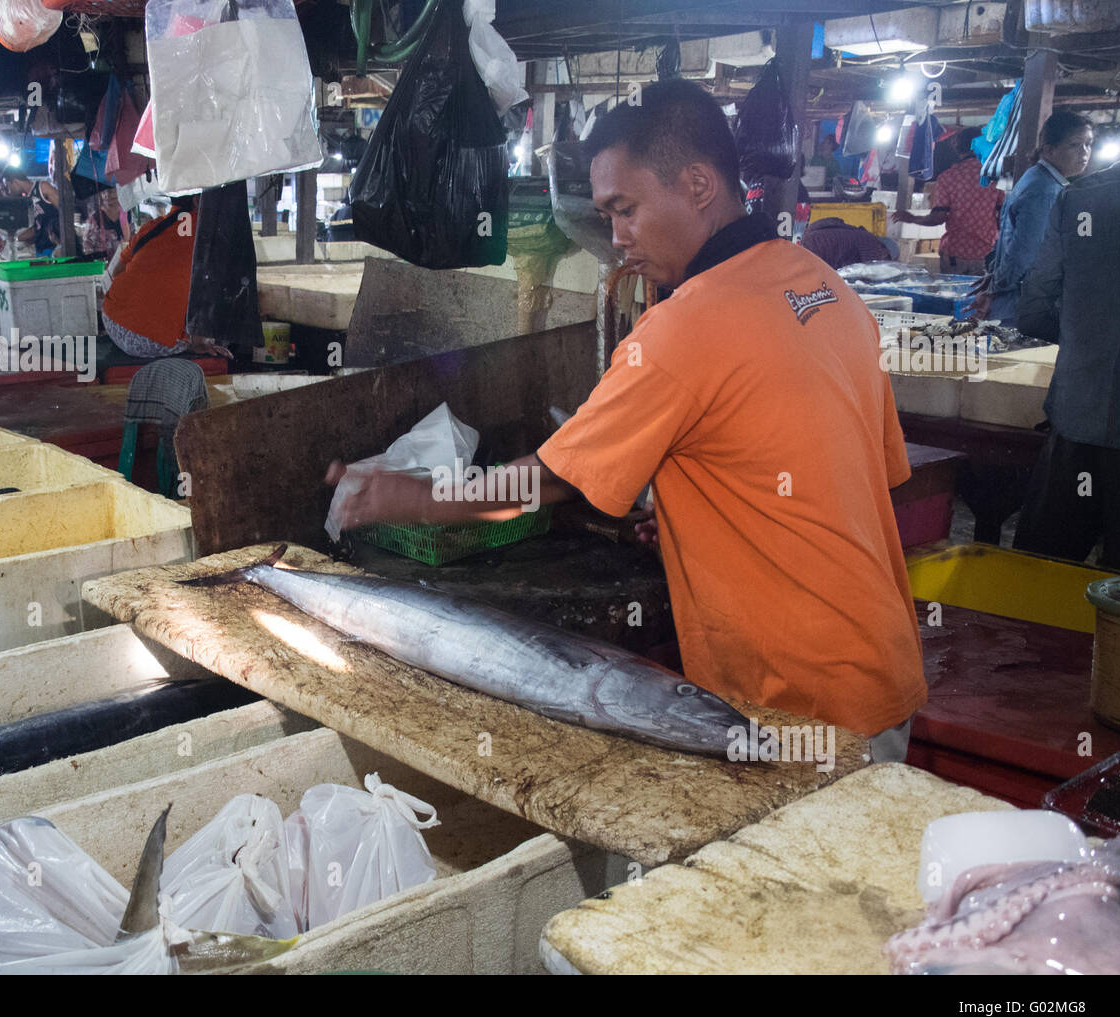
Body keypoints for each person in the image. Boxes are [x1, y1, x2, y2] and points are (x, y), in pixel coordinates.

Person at [325, 81, 927, 762]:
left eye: (625, 210)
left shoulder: (687, 325)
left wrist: (410, 496)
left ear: (698, 185)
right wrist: (694, 513)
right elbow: (857, 471)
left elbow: (555, 481)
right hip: (882, 673)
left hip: (793, 701)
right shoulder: (822, 284)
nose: (615, 240)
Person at [1011, 151, 1120, 569]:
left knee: (1039, 579)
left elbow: (1033, 307)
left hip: (1076, 422)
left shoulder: (1080, 196)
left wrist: (1085, 342)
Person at [978, 111, 1093, 325]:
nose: (1084, 153)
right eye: (1075, 145)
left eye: (1088, 144)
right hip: (1024, 304)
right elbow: (1025, 253)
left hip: (1015, 300)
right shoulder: (1046, 190)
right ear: (1049, 150)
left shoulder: (1038, 178)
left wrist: (995, 281)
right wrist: (996, 287)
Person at [101, 195, 226, 359]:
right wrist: (199, 343)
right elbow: (207, 294)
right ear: (197, 200)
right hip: (148, 341)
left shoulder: (153, 226)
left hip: (112, 320)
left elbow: (116, 272)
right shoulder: (209, 234)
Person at [894, 126, 1004, 275]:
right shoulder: (994, 178)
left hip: (954, 254)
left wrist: (912, 218)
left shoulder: (948, 177)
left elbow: (938, 218)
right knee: (982, 297)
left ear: (957, 148)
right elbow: (1002, 219)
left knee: (952, 295)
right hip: (985, 254)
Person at [799, 215, 893, 269]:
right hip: (816, 251)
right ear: (886, 251)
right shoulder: (871, 243)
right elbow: (872, 269)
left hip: (804, 242)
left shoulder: (853, 233)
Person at [82, 187, 127, 257]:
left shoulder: (128, 215)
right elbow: (87, 248)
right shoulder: (94, 219)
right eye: (103, 192)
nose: (107, 195)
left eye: (111, 191)